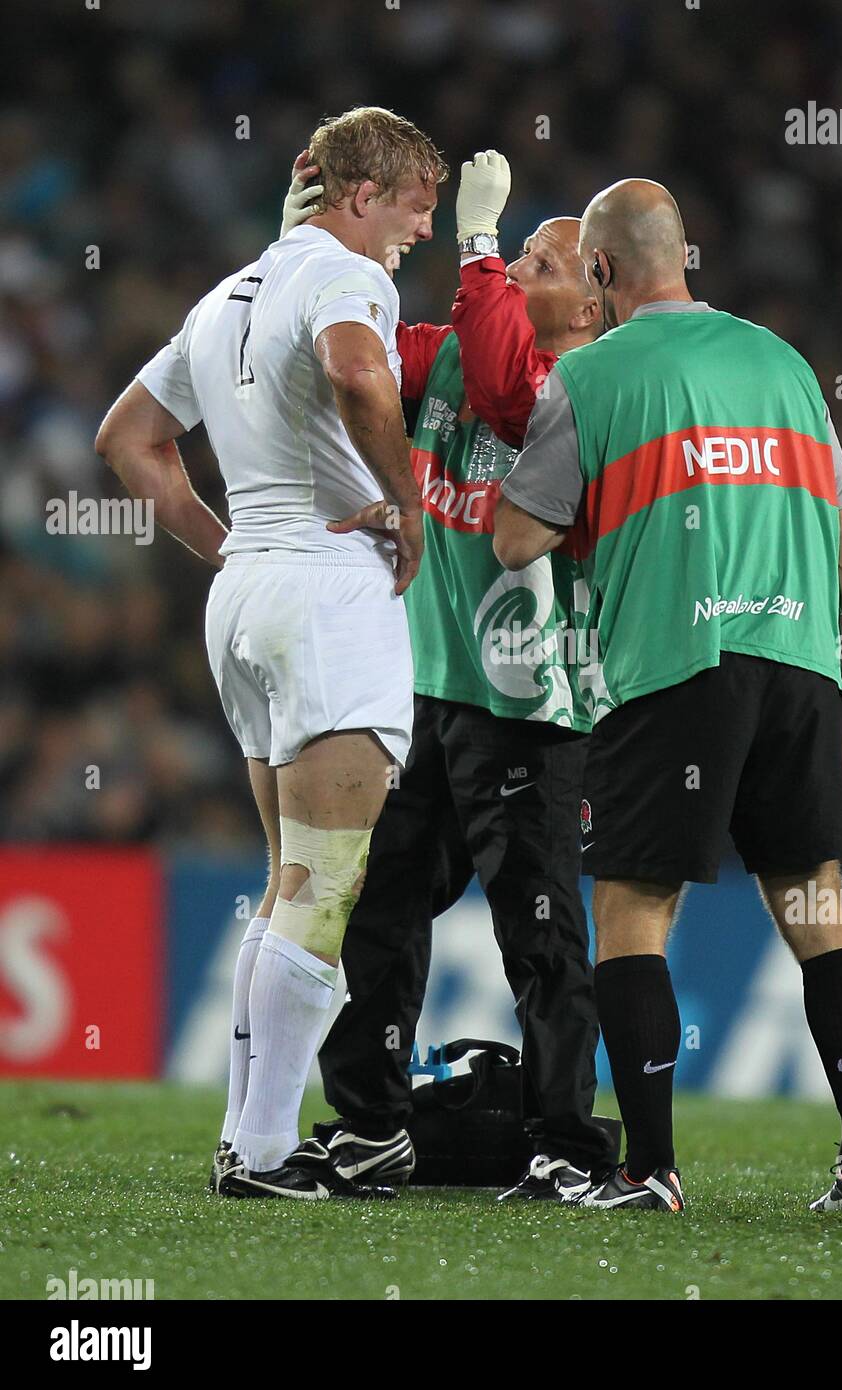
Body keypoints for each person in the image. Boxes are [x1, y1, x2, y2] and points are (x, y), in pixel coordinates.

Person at [494, 178, 842, 1213]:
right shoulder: (781, 364)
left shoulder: (591, 376)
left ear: (598, 271)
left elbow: (516, 537)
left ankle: (645, 1169)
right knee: (816, 908)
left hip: (674, 663)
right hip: (797, 660)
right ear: (684, 254)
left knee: (633, 912)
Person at [95, 106, 446, 1199]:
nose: (421, 233)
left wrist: (228, 545)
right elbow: (354, 370)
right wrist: (408, 496)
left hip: (247, 591)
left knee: (288, 881)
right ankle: (257, 1153)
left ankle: (254, 1141)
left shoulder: (225, 296)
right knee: (324, 883)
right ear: (359, 196)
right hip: (327, 590)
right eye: (414, 207)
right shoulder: (352, 278)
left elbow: (129, 440)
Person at [281, 150, 614, 1201]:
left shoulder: (580, 387)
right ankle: (370, 1125)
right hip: (417, 691)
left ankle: (562, 1139)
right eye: (511, 253)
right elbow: (359, 360)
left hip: (527, 703)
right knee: (378, 909)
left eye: (543, 260)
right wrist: (324, 244)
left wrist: (475, 250)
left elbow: (514, 387)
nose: (519, 266)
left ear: (595, 304)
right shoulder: (456, 353)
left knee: (539, 929)